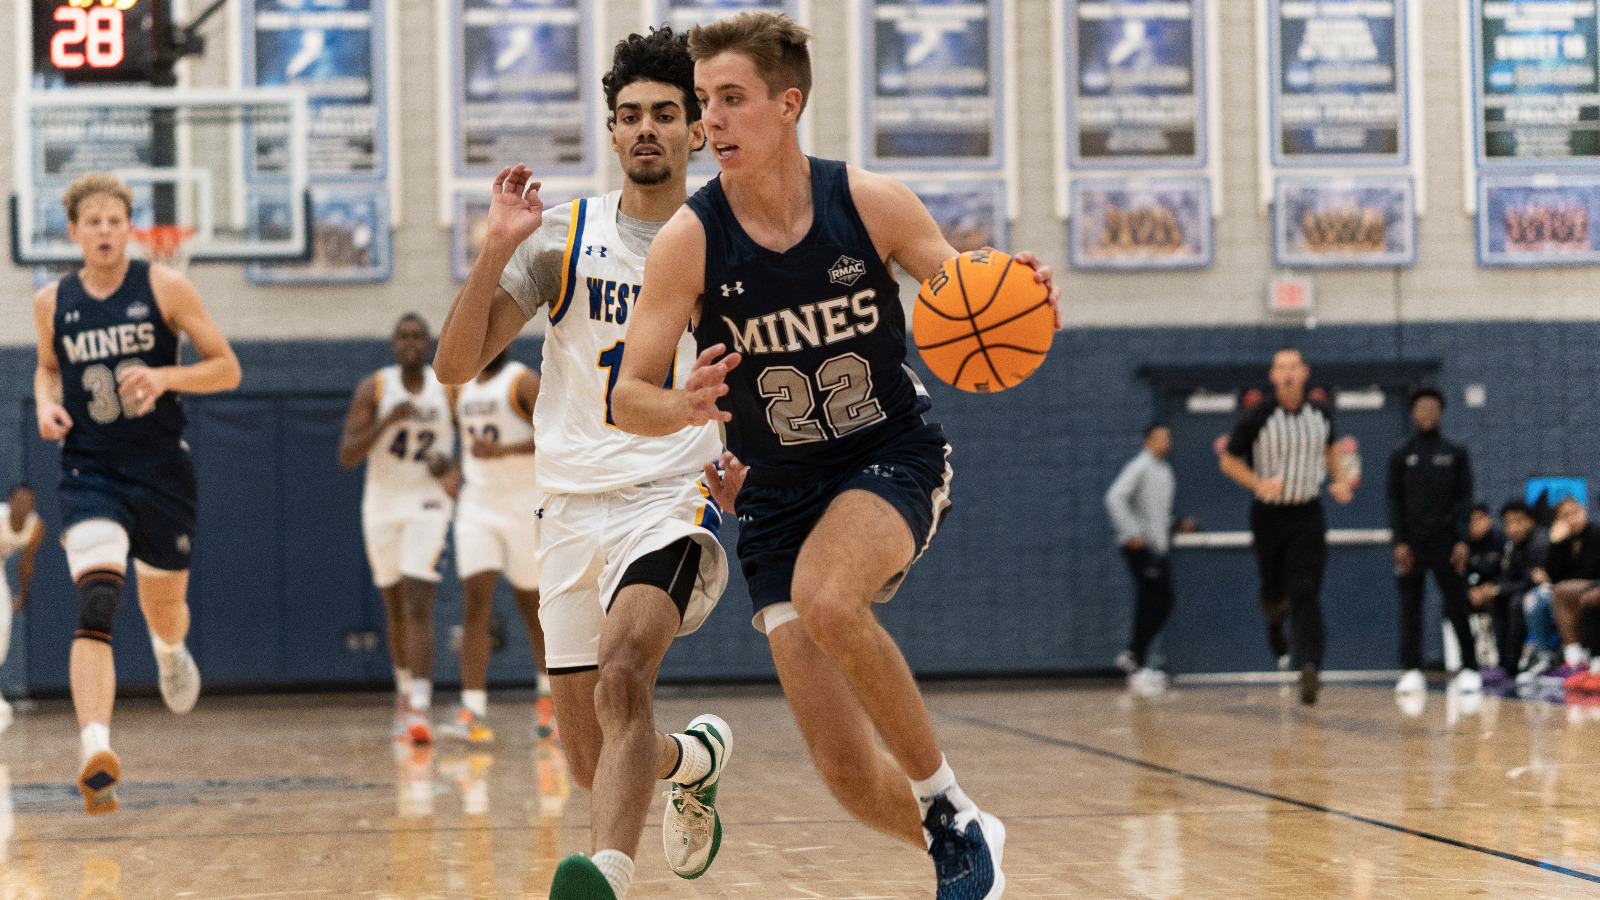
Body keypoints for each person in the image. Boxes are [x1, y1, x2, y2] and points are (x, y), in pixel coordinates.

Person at [608, 13, 1062, 899]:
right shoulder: (691, 241)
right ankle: (969, 842)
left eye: (730, 100)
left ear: (789, 104)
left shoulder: (871, 204)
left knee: (828, 596)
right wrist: (683, 404)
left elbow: (962, 291)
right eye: (706, 104)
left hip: (887, 455)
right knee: (848, 777)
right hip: (775, 496)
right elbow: (629, 395)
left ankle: (948, 810)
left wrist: (1017, 292)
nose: (711, 124)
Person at [434, 27, 735, 899]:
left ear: (695, 131)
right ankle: (692, 760)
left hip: (674, 491)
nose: (648, 128)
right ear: (611, 131)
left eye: (666, 115)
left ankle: (606, 877)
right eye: (631, 114)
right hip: (568, 505)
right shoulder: (563, 237)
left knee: (623, 669)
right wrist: (496, 246)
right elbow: (457, 366)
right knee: (589, 758)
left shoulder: (729, 238)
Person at [33, 172, 242, 814]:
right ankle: (95, 747)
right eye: (92, 221)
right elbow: (46, 367)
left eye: (114, 220)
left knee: (162, 611)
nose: (104, 230)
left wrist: (165, 374)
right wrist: (46, 404)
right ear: (74, 231)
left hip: (160, 472)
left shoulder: (165, 286)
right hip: (90, 471)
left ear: (130, 229)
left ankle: (169, 649)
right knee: (97, 599)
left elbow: (227, 368)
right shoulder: (51, 301)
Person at [339, 314, 459, 745]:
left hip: (428, 503)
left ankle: (421, 705)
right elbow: (348, 455)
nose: (411, 343)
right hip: (382, 505)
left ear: (428, 344)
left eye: (418, 337)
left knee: (417, 601)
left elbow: (478, 444)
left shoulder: (448, 386)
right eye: (403, 336)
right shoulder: (374, 387)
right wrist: (386, 422)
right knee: (393, 606)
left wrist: (454, 468)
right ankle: (404, 693)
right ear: (394, 344)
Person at [1219, 349, 1354, 705]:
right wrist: (1258, 484)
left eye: (1294, 366)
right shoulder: (1257, 416)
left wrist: (1339, 479)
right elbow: (1229, 460)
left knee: (1306, 592)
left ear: (1305, 372)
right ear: (1273, 375)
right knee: (1275, 591)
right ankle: (1275, 622)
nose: (1288, 373)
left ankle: (1309, 665)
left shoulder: (1321, 413)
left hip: (1308, 513)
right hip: (1269, 517)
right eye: (1282, 367)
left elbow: (1330, 450)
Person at [440, 347, 554, 742]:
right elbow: (469, 444)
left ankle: (549, 699)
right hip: (477, 506)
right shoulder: (459, 389)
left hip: (525, 504)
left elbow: (557, 436)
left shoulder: (523, 382)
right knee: (474, 603)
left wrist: (502, 451)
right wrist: (456, 471)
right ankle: (473, 709)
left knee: (533, 605)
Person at [1386, 386, 1480, 694]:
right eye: (1420, 408)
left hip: (1447, 541)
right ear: (1413, 413)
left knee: (1456, 603)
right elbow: (1393, 501)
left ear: (1441, 413)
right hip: (1412, 543)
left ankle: (1469, 666)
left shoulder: (1455, 452)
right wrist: (1399, 541)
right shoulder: (1400, 454)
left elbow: (1465, 499)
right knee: (1409, 606)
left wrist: (1463, 540)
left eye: (1432, 408)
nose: (1426, 414)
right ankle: (1412, 669)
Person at [1105, 425, 1177, 691]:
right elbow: (1115, 497)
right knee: (1152, 601)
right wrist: (1132, 533)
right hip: (1140, 548)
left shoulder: (1164, 471)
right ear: (1146, 441)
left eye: (1167, 437)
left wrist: (1175, 524)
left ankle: (1136, 657)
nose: (1165, 442)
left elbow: (1155, 512)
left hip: (1157, 548)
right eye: (1159, 438)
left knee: (1161, 601)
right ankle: (1136, 662)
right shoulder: (1140, 466)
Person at [0, 484, 45, 730]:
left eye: (29, 502)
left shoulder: (35, 526)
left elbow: (26, 563)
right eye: (19, 501)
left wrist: (22, 595)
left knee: (3, 625)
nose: (23, 506)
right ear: (9, 502)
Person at [1543, 496, 1600, 689]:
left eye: (1575, 512)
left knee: (1566, 591)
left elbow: (1590, 569)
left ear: (1583, 511)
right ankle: (1575, 661)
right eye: (1565, 516)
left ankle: (1577, 658)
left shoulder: (1595, 534)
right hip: (1578, 588)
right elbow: (1553, 574)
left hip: (1593, 582)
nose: (1572, 518)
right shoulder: (1563, 542)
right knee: (1559, 593)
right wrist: (1555, 543)